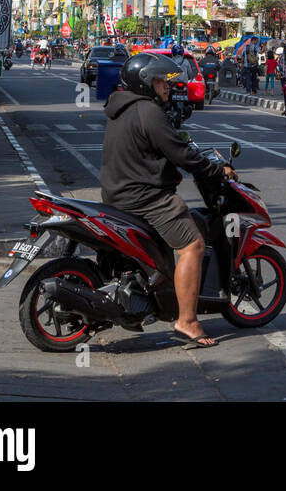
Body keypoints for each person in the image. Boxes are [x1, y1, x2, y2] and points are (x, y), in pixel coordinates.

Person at [100, 52, 236, 348]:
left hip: (117, 192)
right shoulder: (149, 112)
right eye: (161, 81)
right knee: (193, 245)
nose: (167, 87)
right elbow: (181, 154)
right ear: (147, 82)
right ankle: (186, 321)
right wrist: (215, 170)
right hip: (145, 197)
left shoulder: (120, 108)